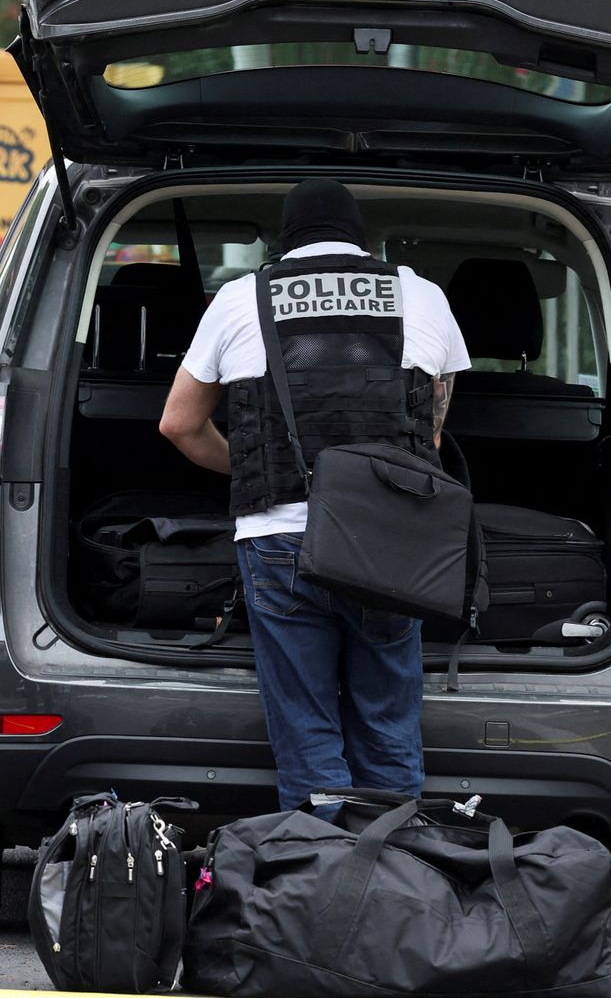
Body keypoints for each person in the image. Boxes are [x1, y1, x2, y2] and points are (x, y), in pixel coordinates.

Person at [157, 179, 469, 812]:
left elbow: (179, 424)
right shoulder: (423, 296)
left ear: (284, 240)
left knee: (306, 731)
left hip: (278, 537)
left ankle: (320, 862)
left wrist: (254, 465)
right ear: (361, 239)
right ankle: (392, 860)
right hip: (387, 539)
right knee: (387, 726)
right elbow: (430, 434)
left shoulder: (241, 298)